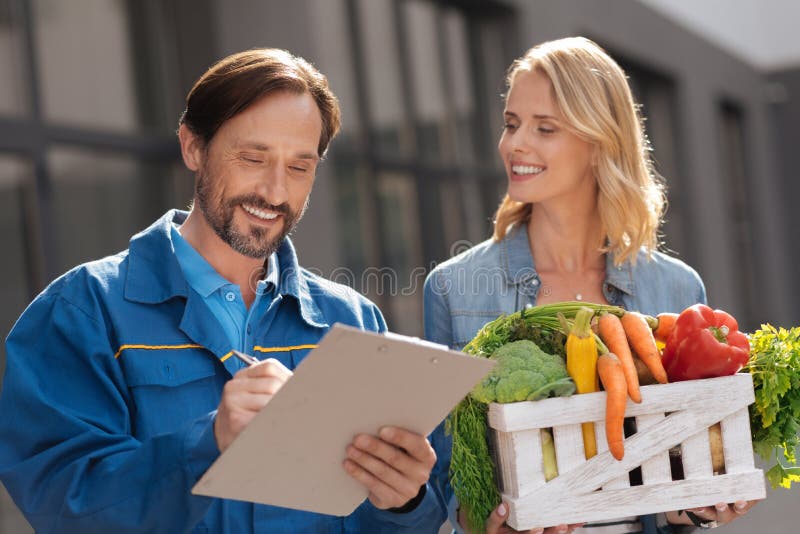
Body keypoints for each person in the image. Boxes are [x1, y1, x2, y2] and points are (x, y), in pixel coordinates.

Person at [0, 48, 446, 533]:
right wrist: (208, 441)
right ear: (193, 147)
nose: (276, 193)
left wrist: (403, 503)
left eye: (300, 167)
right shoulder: (82, 313)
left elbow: (397, 519)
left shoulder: (353, 321)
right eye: (254, 158)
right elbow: (64, 507)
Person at [424, 37, 757, 534]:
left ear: (599, 142)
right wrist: (488, 525)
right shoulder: (455, 289)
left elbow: (682, 469)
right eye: (511, 124)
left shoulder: (676, 287)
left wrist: (697, 506)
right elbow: (447, 478)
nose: (515, 144)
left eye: (545, 128)